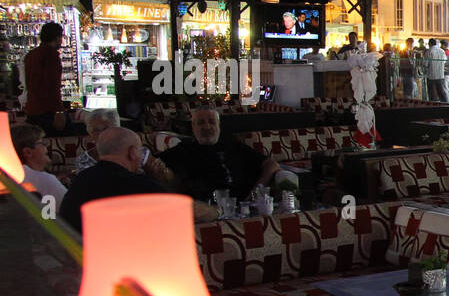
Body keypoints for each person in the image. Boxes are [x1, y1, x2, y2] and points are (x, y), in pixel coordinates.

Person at [61, 128, 217, 232]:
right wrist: (217, 211)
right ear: (132, 153)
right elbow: (190, 211)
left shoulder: (80, 180)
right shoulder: (135, 183)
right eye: (140, 150)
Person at [160, 106, 280, 201]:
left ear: (219, 126)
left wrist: (256, 191)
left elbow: (271, 165)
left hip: (243, 206)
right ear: (193, 127)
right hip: (206, 211)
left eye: (211, 122)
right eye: (201, 122)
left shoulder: (234, 146)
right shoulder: (182, 150)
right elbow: (151, 162)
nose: (207, 126)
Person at [22, 22, 72, 133]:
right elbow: (52, 85)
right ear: (57, 37)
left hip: (33, 108)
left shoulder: (31, 55)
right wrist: (59, 112)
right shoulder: (51, 56)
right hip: (48, 110)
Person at [11, 123, 67, 208]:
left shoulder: (9, 177)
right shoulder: (45, 180)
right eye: (42, 143)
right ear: (28, 152)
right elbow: (71, 209)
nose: (47, 145)